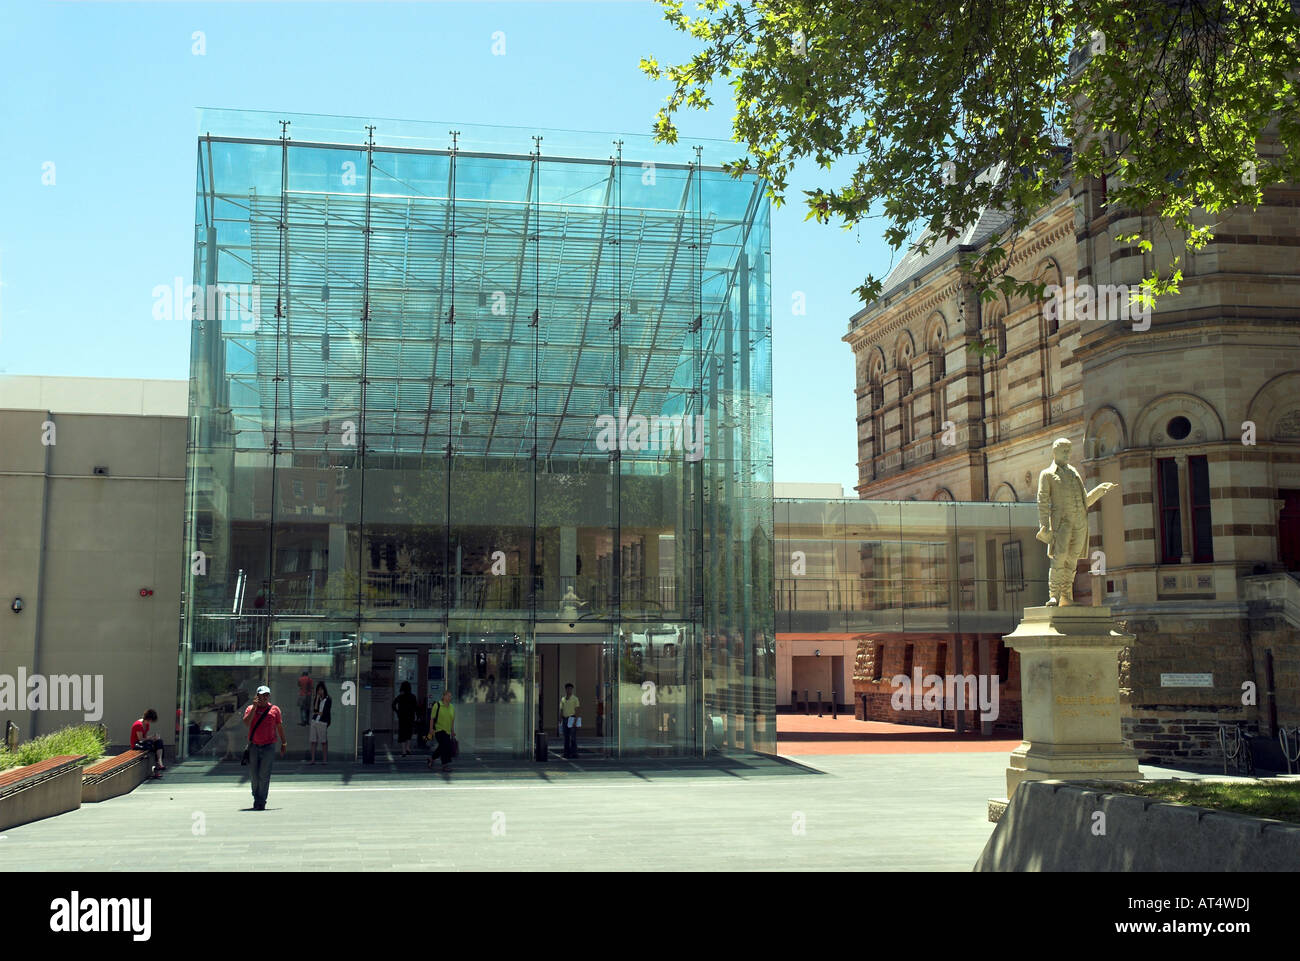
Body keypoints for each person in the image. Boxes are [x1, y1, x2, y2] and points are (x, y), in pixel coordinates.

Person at [1035, 437, 1119, 606]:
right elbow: (1042, 501)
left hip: (1079, 523)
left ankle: (1066, 595)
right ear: (1054, 452)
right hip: (1062, 523)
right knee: (1059, 558)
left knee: (1072, 559)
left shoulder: (1074, 473)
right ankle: (1055, 595)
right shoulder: (1047, 474)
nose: (1068, 454)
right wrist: (1044, 526)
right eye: (1064, 451)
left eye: (1069, 450)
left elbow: (1083, 501)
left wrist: (1099, 491)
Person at [243, 685, 287, 810]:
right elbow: (246, 723)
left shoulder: (274, 710)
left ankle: (261, 800)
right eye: (262, 695)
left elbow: (279, 727)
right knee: (254, 775)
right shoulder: (250, 708)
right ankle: (256, 796)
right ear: (257, 696)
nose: (264, 697)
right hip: (254, 746)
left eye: (266, 695)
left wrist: (284, 743)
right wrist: (254, 708)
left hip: (269, 746)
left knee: (264, 775)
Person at [426, 689, 456, 772]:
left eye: (451, 696)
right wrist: (431, 729)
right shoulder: (437, 705)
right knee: (446, 745)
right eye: (448, 696)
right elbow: (432, 718)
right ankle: (445, 765)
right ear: (444, 696)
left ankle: (431, 759)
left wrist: (452, 731)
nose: (450, 697)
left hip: (447, 731)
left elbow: (452, 720)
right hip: (439, 730)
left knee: (442, 746)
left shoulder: (452, 707)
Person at [130, 709, 166, 777]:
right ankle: (158, 766)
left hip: (143, 744)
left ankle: (159, 762)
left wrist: (153, 738)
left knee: (159, 742)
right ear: (148, 718)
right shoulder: (138, 725)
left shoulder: (146, 725)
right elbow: (140, 739)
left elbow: (145, 737)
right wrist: (152, 738)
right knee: (154, 747)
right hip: (136, 745)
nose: (150, 722)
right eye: (151, 720)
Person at [392, 681, 419, 757]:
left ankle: (403, 751)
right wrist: (417, 715)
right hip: (410, 717)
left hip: (402, 717)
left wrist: (397, 712)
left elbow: (393, 705)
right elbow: (416, 707)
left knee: (402, 733)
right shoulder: (413, 696)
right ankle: (408, 748)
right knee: (409, 732)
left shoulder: (400, 696)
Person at [309, 682, 331, 764]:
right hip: (314, 721)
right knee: (313, 741)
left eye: (321, 689)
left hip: (322, 722)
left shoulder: (328, 699)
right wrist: (317, 698)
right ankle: (312, 759)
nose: (320, 691)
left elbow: (325, 713)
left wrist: (317, 713)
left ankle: (324, 760)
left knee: (323, 741)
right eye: (318, 690)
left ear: (324, 690)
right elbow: (315, 709)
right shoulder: (317, 699)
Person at [559, 683, 580, 758]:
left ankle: (574, 753)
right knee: (566, 737)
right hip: (565, 719)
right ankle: (566, 753)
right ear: (566, 689)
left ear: (572, 689)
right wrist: (560, 719)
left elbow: (577, 710)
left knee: (573, 737)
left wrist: (575, 721)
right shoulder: (563, 699)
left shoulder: (575, 699)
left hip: (572, 718)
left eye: (570, 689)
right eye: (568, 689)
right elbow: (561, 709)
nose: (569, 690)